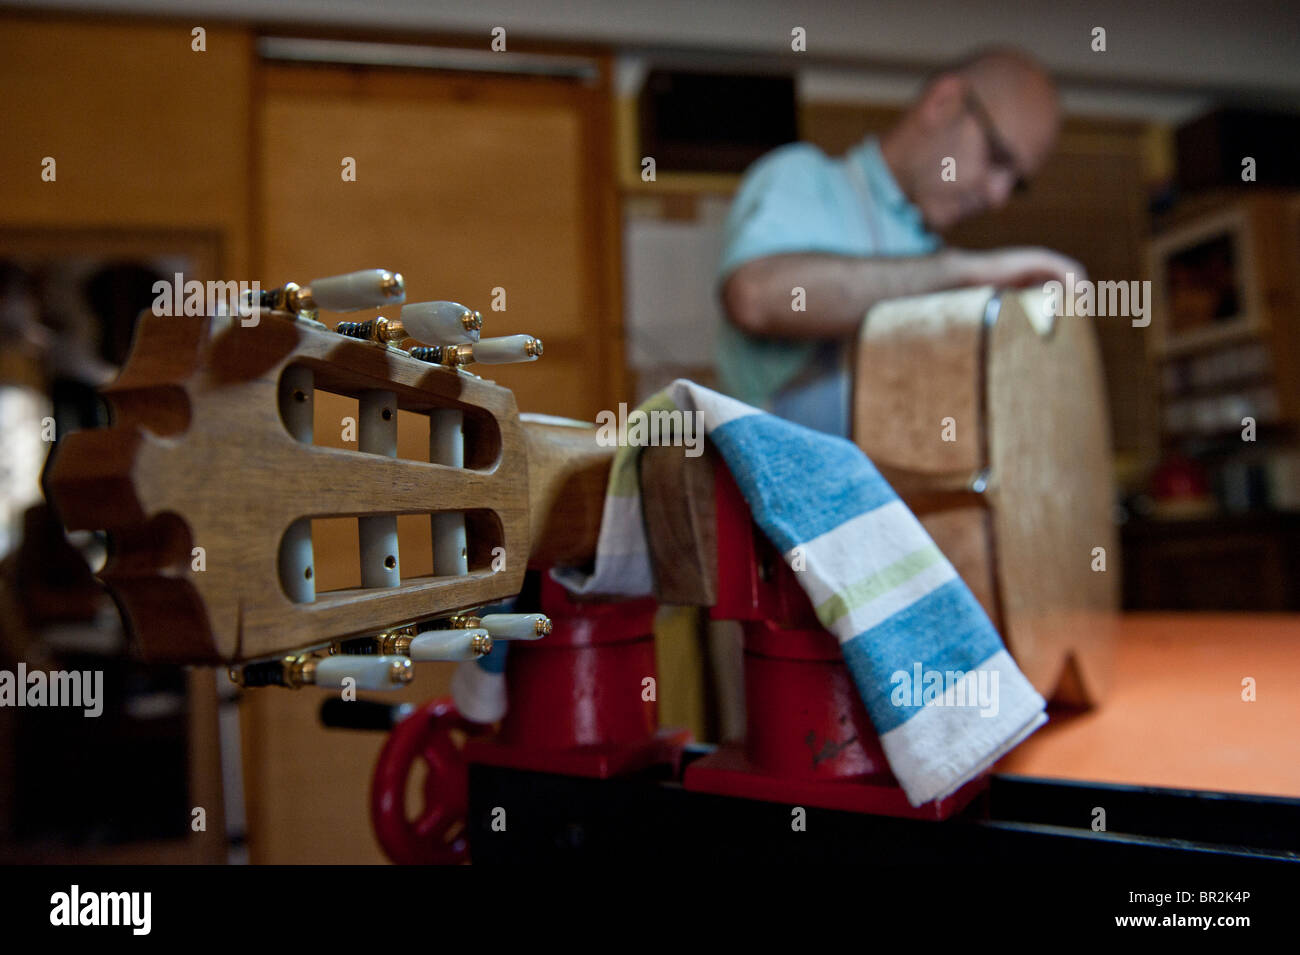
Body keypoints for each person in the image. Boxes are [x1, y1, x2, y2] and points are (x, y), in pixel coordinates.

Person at [716, 47, 1085, 436]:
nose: (998, 195)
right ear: (944, 103)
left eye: (1017, 183)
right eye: (996, 156)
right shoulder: (807, 180)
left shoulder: (930, 253)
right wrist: (963, 273)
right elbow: (755, 298)